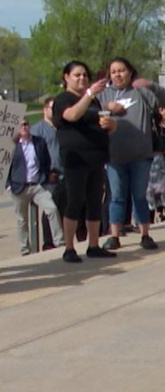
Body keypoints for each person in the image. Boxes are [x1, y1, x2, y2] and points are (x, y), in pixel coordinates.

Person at [53, 61, 117, 263]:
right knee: (75, 201)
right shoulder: (63, 99)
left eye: (85, 76)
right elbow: (71, 115)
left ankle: (94, 244)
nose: (82, 79)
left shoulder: (93, 102)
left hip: (96, 158)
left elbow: (105, 125)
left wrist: (111, 125)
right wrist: (89, 93)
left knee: (94, 201)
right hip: (75, 159)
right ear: (66, 77)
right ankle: (69, 247)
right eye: (77, 75)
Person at [99, 57, 159, 251]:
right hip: (114, 156)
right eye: (114, 71)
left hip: (141, 154)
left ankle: (145, 234)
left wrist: (150, 85)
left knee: (140, 196)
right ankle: (114, 236)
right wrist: (107, 107)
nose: (118, 74)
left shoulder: (140, 92)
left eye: (122, 70)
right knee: (116, 196)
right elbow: (90, 113)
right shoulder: (103, 94)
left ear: (130, 72)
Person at [7, 119, 64, 255]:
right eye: (21, 125)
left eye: (26, 124)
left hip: (37, 185)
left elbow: (45, 160)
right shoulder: (12, 145)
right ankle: (25, 249)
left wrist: (46, 174)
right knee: (22, 220)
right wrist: (8, 184)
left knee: (52, 209)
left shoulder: (39, 142)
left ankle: (60, 241)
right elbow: (5, 165)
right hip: (19, 187)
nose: (24, 127)